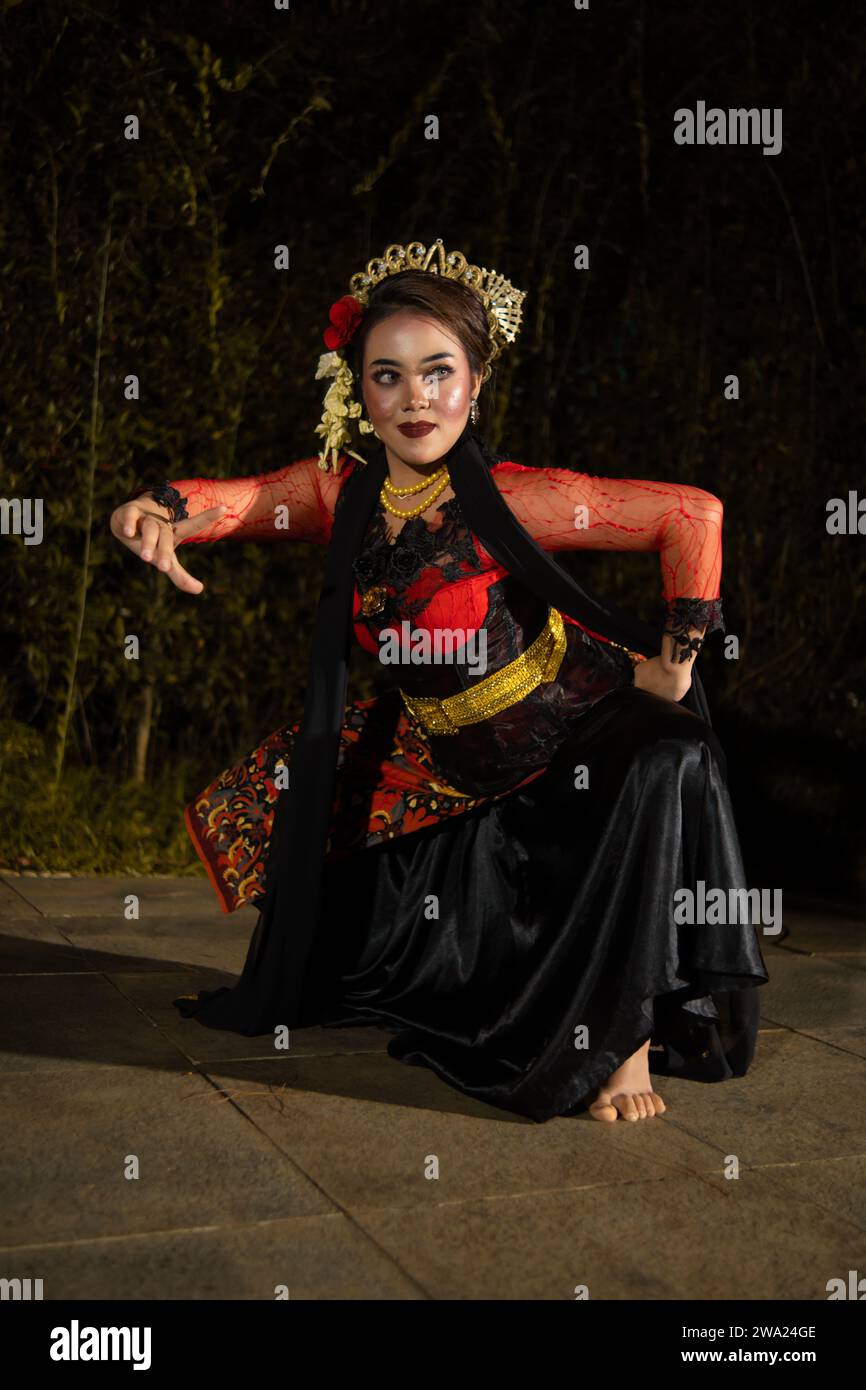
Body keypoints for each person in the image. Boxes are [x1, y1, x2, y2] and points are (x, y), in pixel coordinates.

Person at [109, 238, 768, 1124]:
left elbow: (693, 514)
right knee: (293, 794)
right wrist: (159, 507)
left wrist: (673, 668)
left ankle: (627, 1045)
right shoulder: (339, 494)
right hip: (450, 747)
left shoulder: (518, 495)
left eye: (437, 371)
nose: (415, 398)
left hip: (577, 722)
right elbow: (235, 500)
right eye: (388, 374)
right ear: (359, 388)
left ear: (475, 384)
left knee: (665, 763)